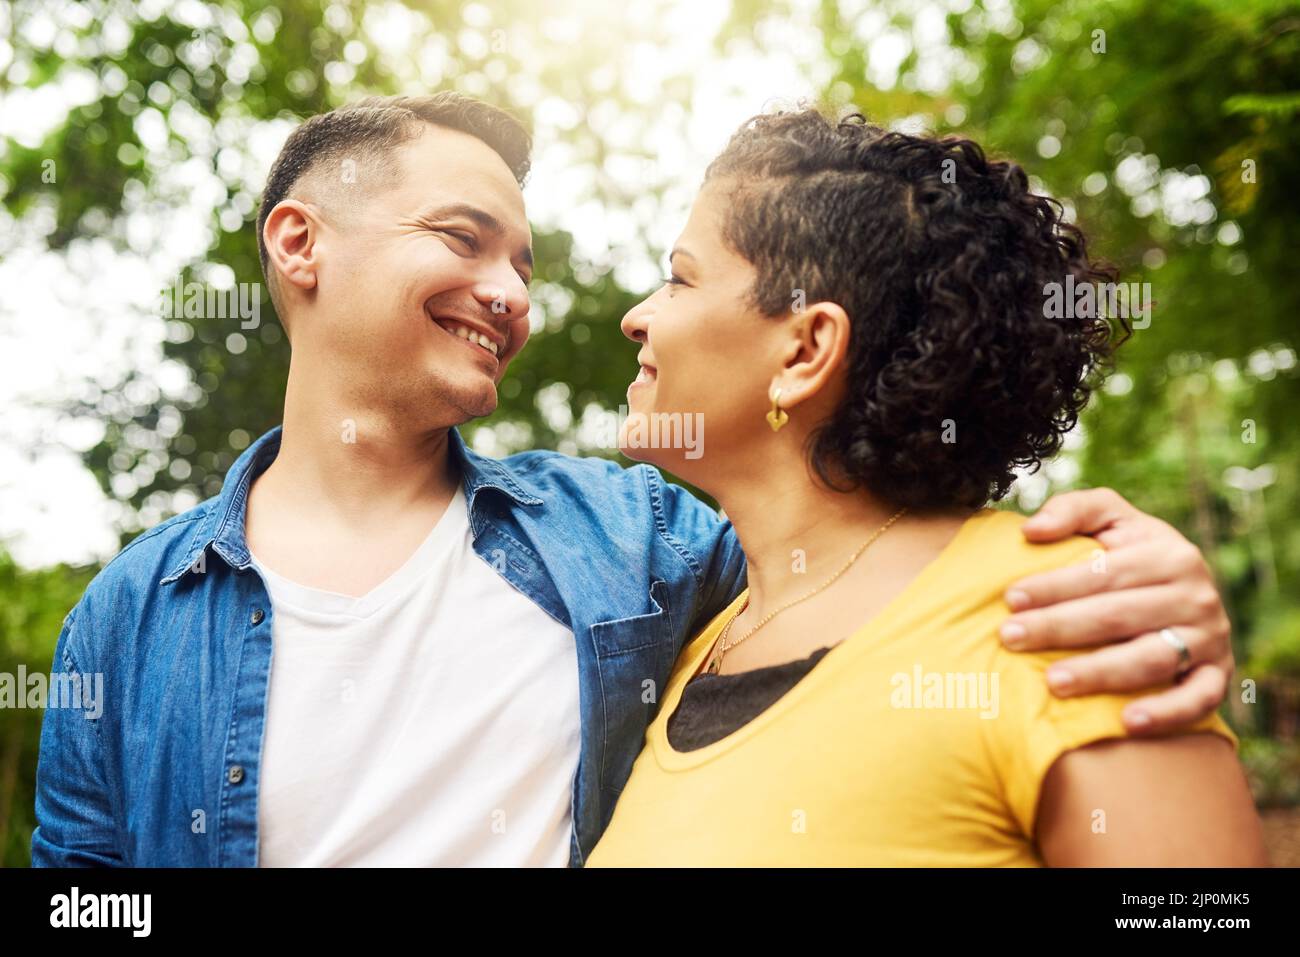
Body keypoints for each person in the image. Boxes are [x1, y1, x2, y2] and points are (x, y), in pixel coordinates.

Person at [32, 94, 1240, 868]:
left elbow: (878, 557)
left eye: (522, 257)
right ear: (298, 245)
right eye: (462, 239)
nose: (516, 293)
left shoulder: (640, 546)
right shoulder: (131, 616)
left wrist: (1145, 570)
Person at [585, 108, 1267, 866]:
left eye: (678, 279)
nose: (636, 317)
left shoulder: (1061, 615)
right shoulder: (696, 643)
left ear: (805, 350)